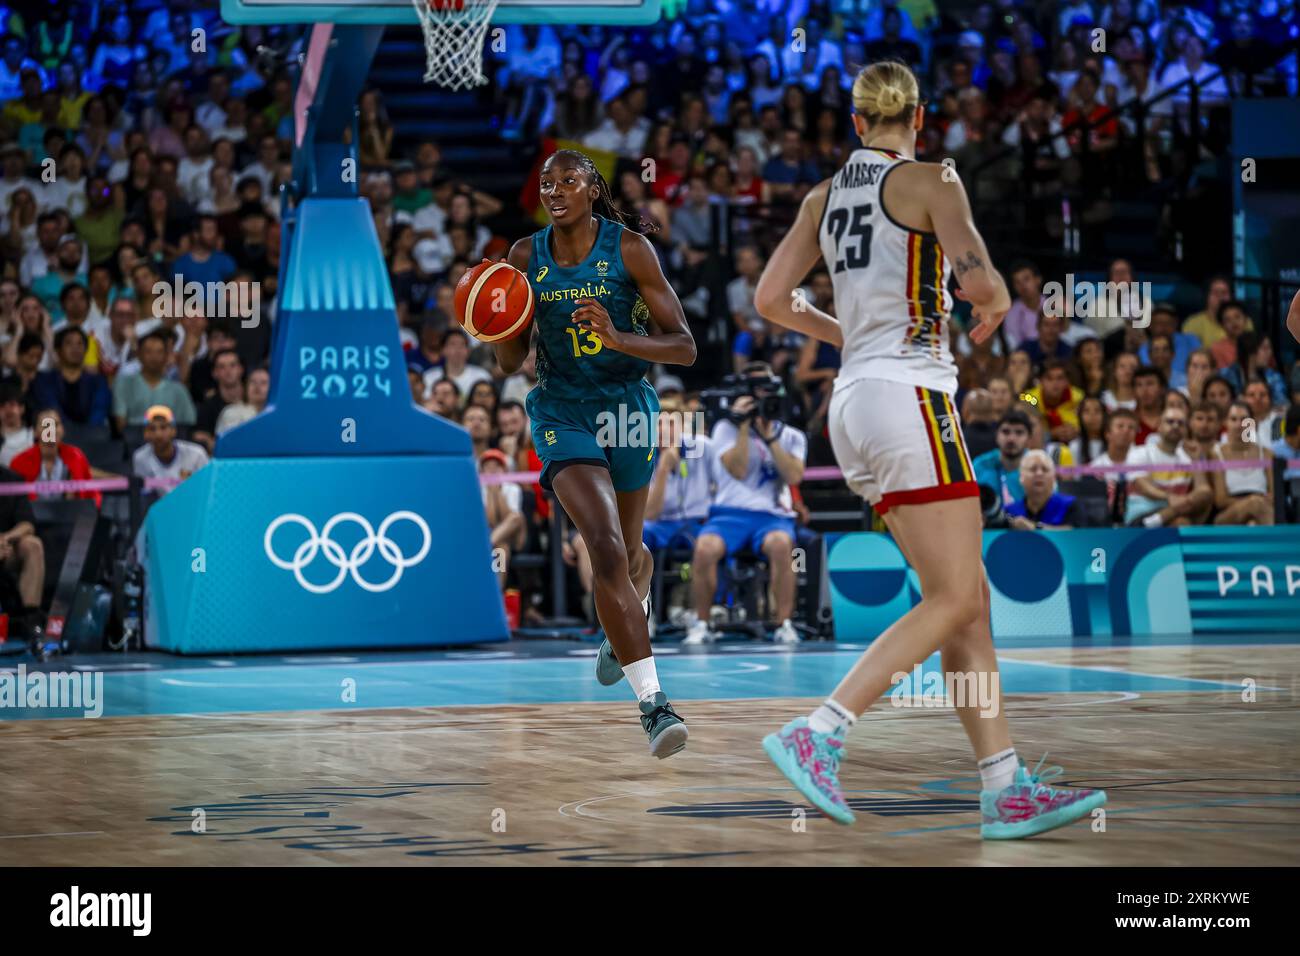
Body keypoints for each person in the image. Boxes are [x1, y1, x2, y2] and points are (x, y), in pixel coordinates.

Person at [750, 60, 1104, 836]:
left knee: (966, 605)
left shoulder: (819, 196)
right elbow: (980, 282)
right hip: (911, 397)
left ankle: (1003, 785)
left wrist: (844, 334)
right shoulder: (933, 179)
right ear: (918, 118)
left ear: (854, 123)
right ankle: (821, 732)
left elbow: (770, 299)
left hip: (851, 405)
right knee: (952, 599)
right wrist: (1000, 295)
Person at [491, 148, 696, 759]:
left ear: (591, 188)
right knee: (603, 546)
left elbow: (683, 348)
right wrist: (493, 319)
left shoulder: (632, 248)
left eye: (567, 180)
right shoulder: (525, 257)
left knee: (630, 555)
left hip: (628, 409)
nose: (554, 189)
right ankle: (654, 705)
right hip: (561, 411)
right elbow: (510, 361)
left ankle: (631, 612)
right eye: (546, 182)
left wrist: (618, 336)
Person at [685, 362, 807, 646]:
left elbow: (793, 476)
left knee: (780, 545)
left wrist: (769, 436)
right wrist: (742, 427)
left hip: (771, 515)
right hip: (728, 514)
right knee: (704, 548)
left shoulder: (791, 435)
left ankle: (784, 623)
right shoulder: (725, 430)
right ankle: (702, 623)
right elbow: (737, 470)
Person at [1123, 404, 1213, 527]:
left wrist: (1196, 460)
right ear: (1159, 426)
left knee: (1204, 495)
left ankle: (1159, 519)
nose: (1175, 426)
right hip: (1141, 516)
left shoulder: (1188, 457)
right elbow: (1143, 487)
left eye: (1181, 423)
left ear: (1186, 430)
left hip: (1174, 512)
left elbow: (1203, 490)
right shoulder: (1139, 452)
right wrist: (1169, 497)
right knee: (1182, 522)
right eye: (1170, 422)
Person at [1209, 400, 1274, 526]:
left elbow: (1275, 493)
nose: (1239, 425)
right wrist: (1251, 502)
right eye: (1233, 419)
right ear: (1225, 422)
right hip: (1228, 514)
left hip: (1262, 508)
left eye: (1244, 419)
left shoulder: (1266, 454)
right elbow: (1220, 500)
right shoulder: (1216, 454)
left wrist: (1259, 502)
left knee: (1253, 522)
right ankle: (1278, 544)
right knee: (1256, 505)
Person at [131, 405, 209, 493]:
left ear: (173, 430)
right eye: (152, 429)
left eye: (163, 427)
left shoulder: (196, 454)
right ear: (145, 434)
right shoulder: (140, 458)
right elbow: (144, 494)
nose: (158, 434)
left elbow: (208, 490)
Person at [972, 408, 1033, 508]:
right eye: (1006, 432)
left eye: (1019, 433)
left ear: (1029, 439)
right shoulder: (979, 465)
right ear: (996, 435)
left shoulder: (1038, 467)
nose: (1011, 439)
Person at [1006, 450, 1083, 529]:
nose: (1039, 473)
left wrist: (1035, 528)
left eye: (1045, 469)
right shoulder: (1010, 512)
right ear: (1021, 477)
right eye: (1033, 469)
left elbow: (1074, 535)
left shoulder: (1070, 506)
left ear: (1054, 477)